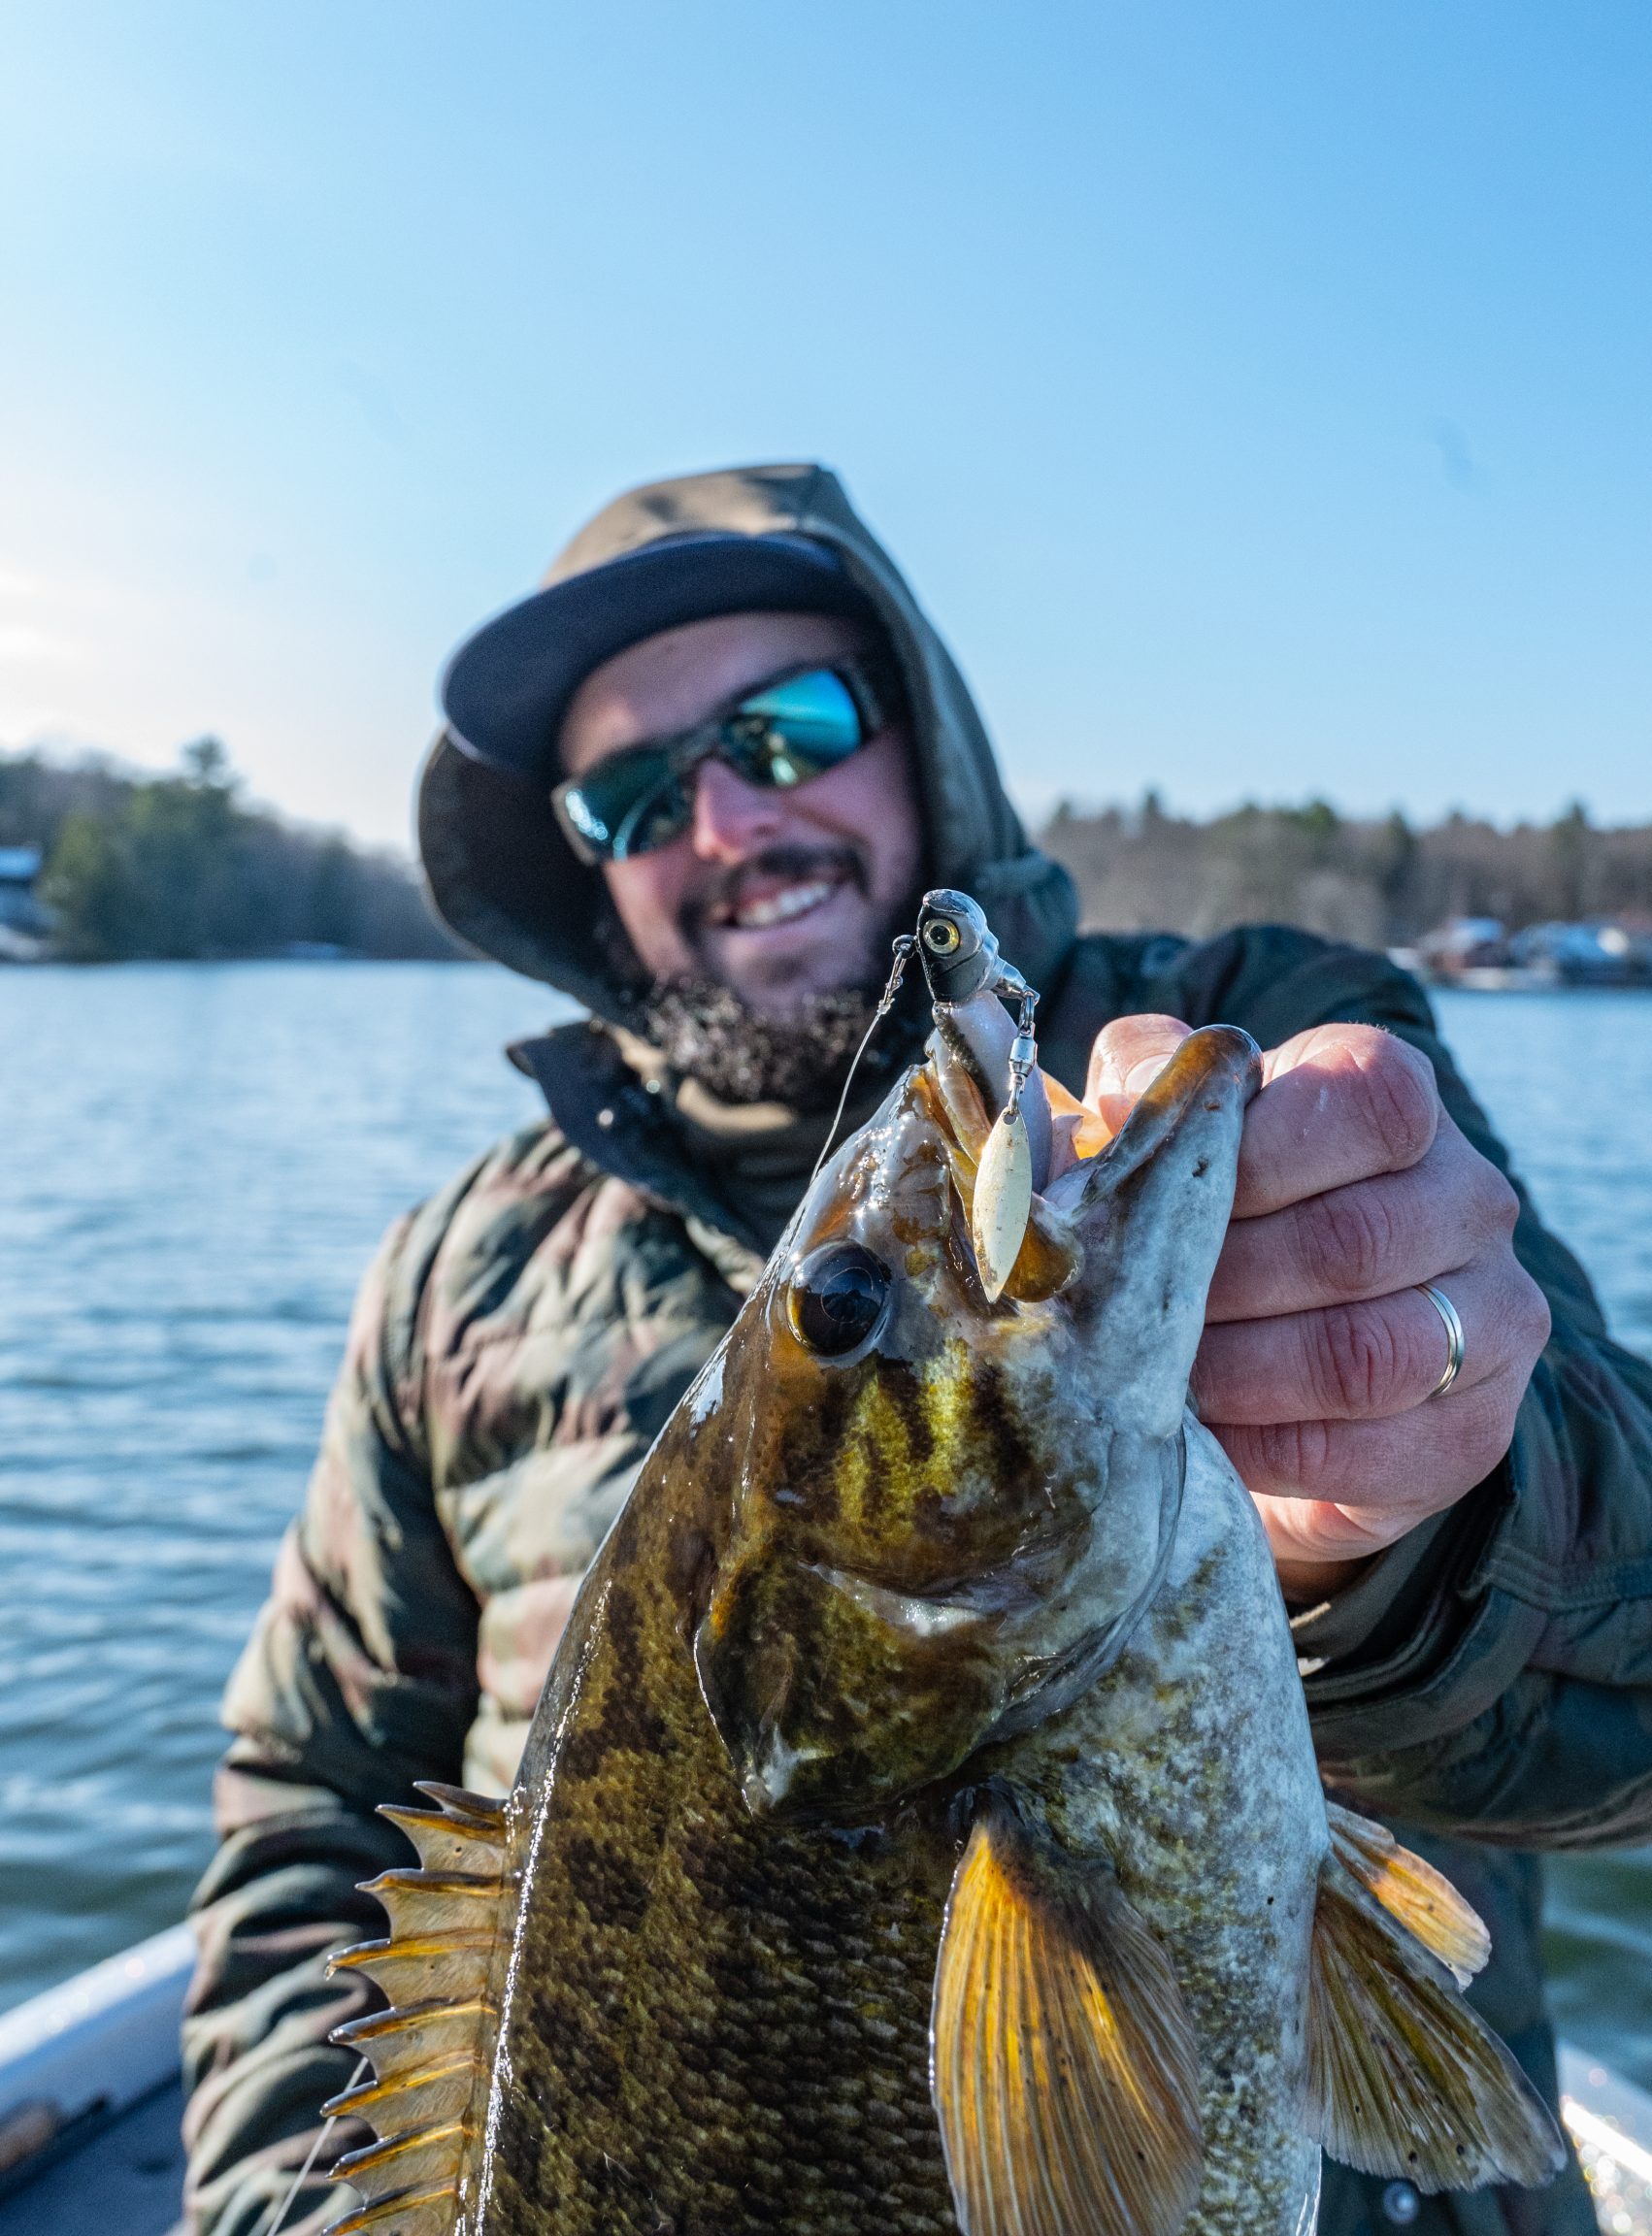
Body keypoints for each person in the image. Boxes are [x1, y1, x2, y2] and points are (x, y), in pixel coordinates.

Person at [181, 462, 1651, 2236]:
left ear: (925, 736)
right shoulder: (451, 1279)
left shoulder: (1272, 1040)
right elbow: (306, 1814)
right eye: (633, 795)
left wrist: (1425, 1530)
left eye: (786, 731)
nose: (723, 819)